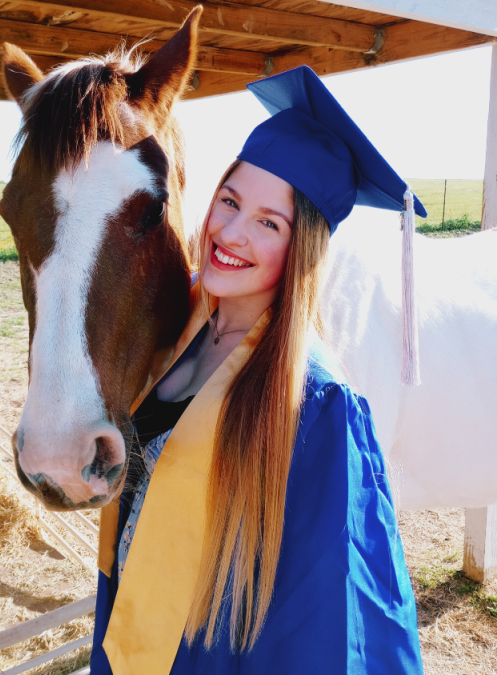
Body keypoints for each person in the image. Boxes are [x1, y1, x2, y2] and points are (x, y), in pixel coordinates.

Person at [90, 66, 424, 674]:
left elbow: (329, 614)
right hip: (130, 623)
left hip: (213, 655)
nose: (231, 232)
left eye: (269, 223)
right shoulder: (179, 318)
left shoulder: (316, 405)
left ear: (301, 249)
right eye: (230, 200)